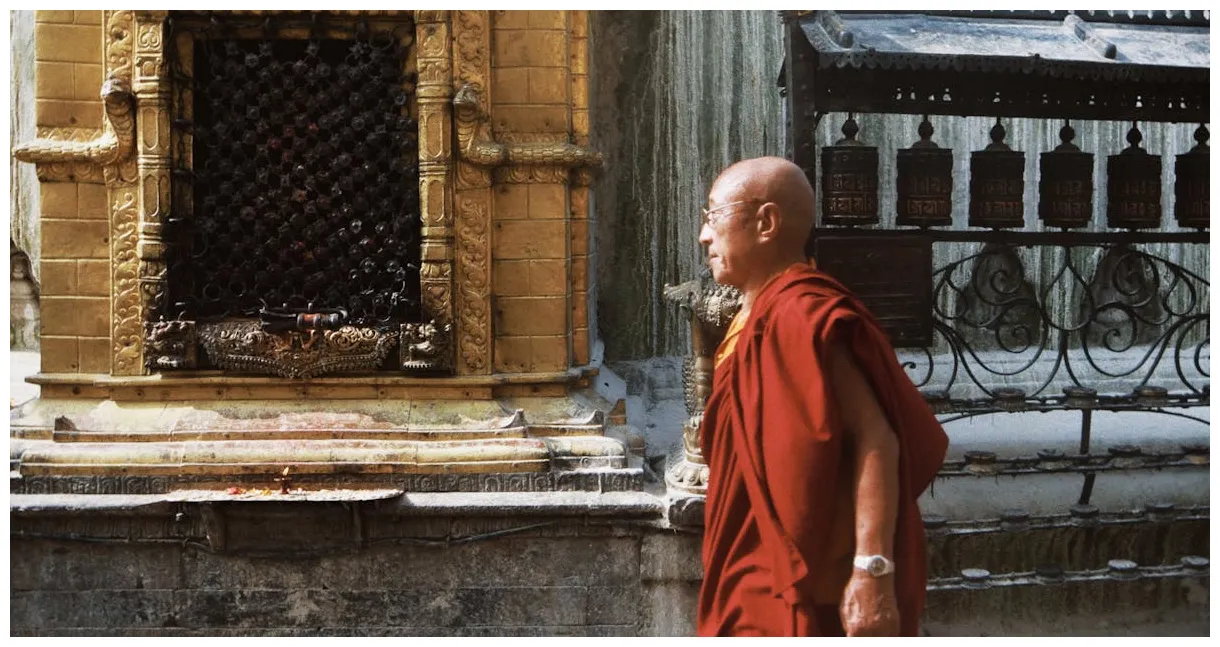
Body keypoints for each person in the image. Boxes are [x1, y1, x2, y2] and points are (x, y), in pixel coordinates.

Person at [694, 156, 949, 637]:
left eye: (712, 216)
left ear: (766, 222)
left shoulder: (801, 313)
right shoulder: (755, 315)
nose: (705, 237)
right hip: (751, 563)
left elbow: (878, 438)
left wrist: (872, 571)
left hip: (806, 579)